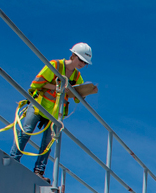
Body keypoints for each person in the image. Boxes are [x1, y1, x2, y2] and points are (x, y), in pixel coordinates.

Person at [10, 42, 97, 182]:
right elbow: (36, 84)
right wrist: (59, 86)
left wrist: (86, 92)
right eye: (81, 59)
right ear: (73, 55)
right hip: (40, 105)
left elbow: (76, 97)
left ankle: (39, 171)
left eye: (85, 62)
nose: (82, 63)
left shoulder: (76, 77)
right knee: (26, 131)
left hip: (55, 112)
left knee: (48, 143)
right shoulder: (55, 65)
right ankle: (13, 159)